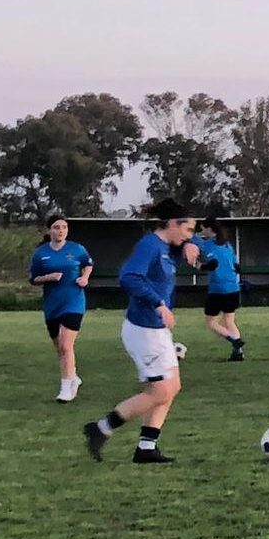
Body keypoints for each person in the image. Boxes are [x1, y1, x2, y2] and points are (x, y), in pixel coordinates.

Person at [83, 198, 200, 464]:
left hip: (156, 331)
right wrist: (159, 304)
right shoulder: (150, 245)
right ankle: (100, 428)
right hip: (143, 330)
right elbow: (129, 276)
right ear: (172, 224)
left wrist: (193, 243)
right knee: (160, 392)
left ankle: (146, 448)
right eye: (188, 230)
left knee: (173, 387)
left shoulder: (170, 246)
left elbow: (197, 243)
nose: (189, 235)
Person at [30, 214, 94, 403]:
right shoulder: (41, 253)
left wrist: (85, 278)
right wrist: (48, 277)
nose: (61, 231)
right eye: (57, 227)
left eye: (64, 227)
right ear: (49, 230)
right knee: (60, 349)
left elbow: (88, 264)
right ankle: (73, 377)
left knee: (66, 346)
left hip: (74, 301)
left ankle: (66, 389)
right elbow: (33, 278)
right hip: (52, 305)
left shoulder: (77, 249)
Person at [194, 221, 246, 361]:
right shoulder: (228, 245)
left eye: (203, 228)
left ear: (209, 229)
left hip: (218, 289)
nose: (201, 231)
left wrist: (198, 265)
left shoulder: (208, 245)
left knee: (211, 322)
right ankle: (238, 352)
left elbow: (211, 265)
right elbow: (237, 267)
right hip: (233, 289)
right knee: (229, 321)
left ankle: (234, 340)